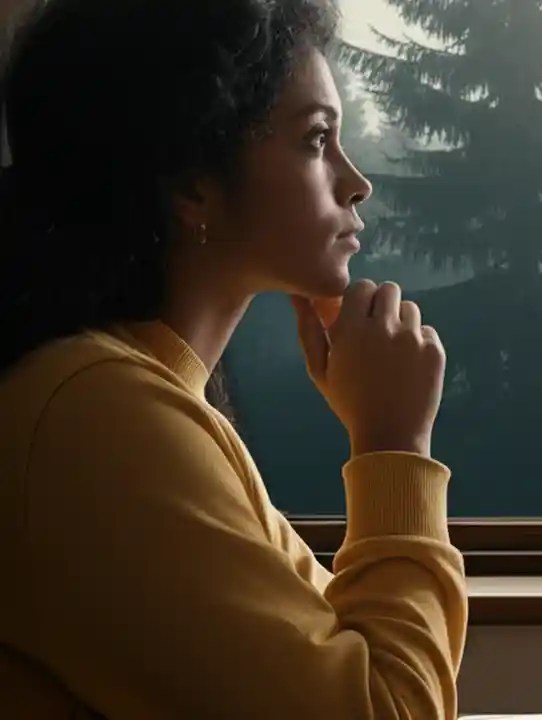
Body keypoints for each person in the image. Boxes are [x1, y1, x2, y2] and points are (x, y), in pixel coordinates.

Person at [0, 0, 467, 717]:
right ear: (193, 184)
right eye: (317, 140)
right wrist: (392, 446)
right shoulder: (96, 417)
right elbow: (387, 707)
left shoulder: (134, 398)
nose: (355, 181)